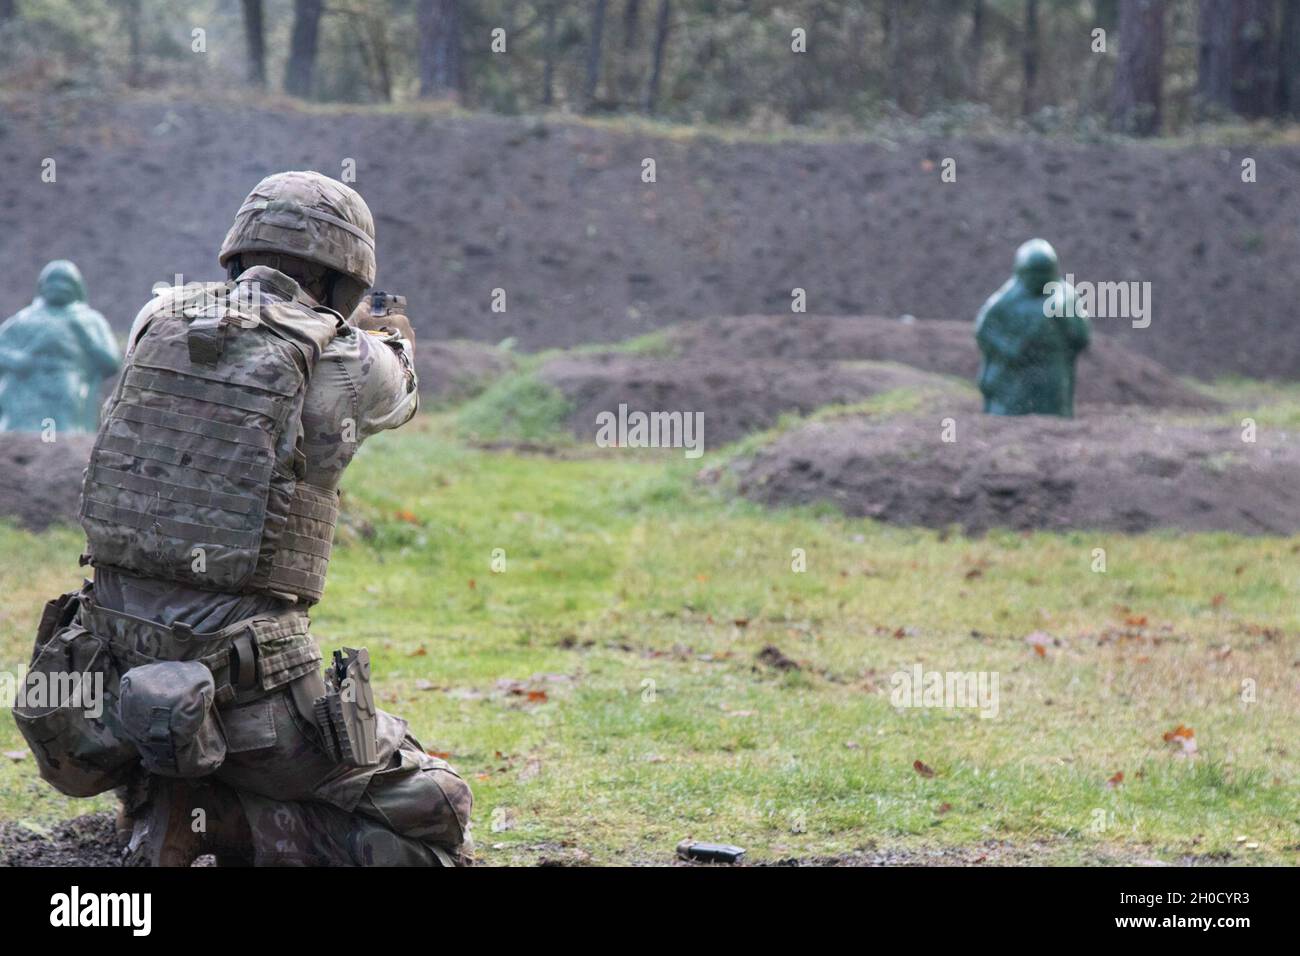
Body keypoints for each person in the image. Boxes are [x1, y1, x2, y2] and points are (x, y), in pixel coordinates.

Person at [14, 171, 472, 867]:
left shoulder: (156, 317)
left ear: (237, 252)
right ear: (345, 279)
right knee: (440, 809)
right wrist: (387, 333)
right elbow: (399, 393)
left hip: (104, 688)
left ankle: (171, 808)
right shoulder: (344, 355)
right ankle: (238, 828)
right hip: (252, 696)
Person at [0, 260, 121, 433]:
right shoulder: (23, 320)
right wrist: (15, 360)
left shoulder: (90, 321)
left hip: (68, 388)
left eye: (66, 281)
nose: (59, 286)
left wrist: (85, 337)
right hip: (25, 392)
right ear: (42, 286)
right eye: (53, 281)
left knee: (63, 434)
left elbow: (111, 363)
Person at [974, 239, 1090, 417]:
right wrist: (1008, 349)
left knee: (1053, 419)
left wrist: (1064, 319)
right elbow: (984, 330)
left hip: (1052, 375)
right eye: (1034, 274)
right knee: (1011, 418)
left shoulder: (1065, 297)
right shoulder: (1006, 301)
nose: (1039, 280)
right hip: (1015, 379)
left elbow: (1082, 336)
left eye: (1043, 274)